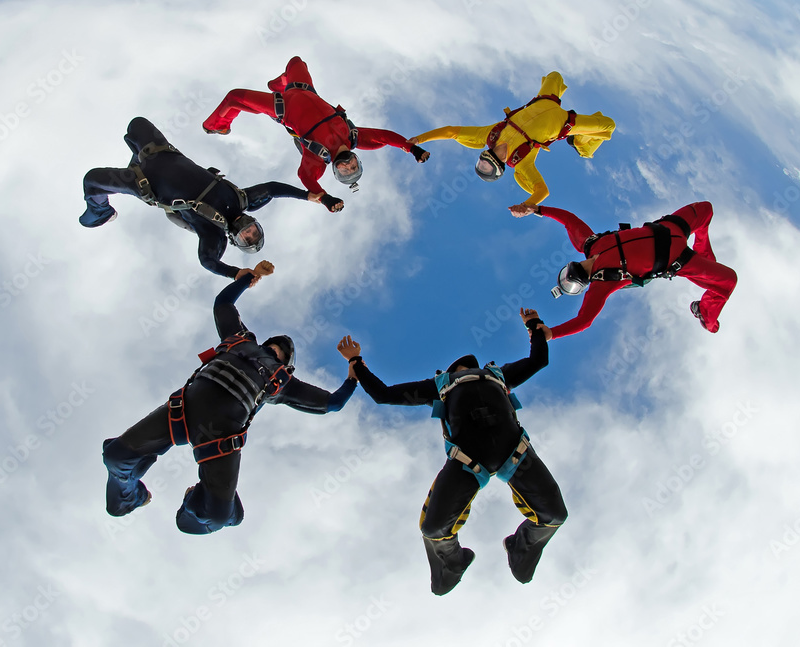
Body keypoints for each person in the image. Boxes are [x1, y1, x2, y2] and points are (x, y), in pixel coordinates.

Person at [101, 262, 358, 534]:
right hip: (184, 411)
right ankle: (130, 498)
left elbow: (333, 403)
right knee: (117, 456)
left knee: (218, 515)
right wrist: (249, 278)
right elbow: (223, 303)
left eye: (282, 353)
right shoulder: (238, 339)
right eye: (273, 345)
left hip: (220, 438)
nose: (277, 350)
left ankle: (213, 504)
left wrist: (354, 371)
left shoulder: (283, 382)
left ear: (287, 365)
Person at [336, 308, 566, 595]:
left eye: (472, 365)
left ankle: (521, 549)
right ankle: (453, 563)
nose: (468, 367)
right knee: (433, 529)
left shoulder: (499, 375)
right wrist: (356, 362)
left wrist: (533, 325)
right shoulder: (438, 387)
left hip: (514, 451)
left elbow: (538, 360)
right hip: (469, 461)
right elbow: (384, 395)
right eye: (462, 366)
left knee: (554, 515)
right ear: (448, 372)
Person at [81, 116, 344, 279]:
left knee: (92, 180)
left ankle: (100, 213)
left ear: (235, 239)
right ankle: (134, 160)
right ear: (255, 222)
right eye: (254, 231)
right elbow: (273, 188)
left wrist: (237, 273)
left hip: (143, 184)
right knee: (136, 124)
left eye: (246, 239)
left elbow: (208, 261)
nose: (248, 232)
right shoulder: (244, 200)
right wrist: (316, 197)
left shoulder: (213, 234)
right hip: (162, 155)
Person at [202, 56, 430, 195]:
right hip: (302, 89)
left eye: (344, 172)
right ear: (356, 160)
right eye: (354, 167)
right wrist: (413, 149)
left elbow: (306, 177)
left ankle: (216, 125)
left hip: (283, 107)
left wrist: (324, 198)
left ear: (335, 170)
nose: (348, 166)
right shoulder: (354, 137)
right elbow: (386, 137)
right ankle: (278, 84)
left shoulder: (318, 158)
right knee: (296, 62)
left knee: (234, 97)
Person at [511, 200, 737, 337]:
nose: (569, 278)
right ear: (582, 286)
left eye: (565, 277)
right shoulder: (603, 283)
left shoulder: (588, 244)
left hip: (669, 227)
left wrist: (538, 209)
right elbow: (584, 321)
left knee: (706, 209)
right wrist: (551, 333)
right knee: (728, 280)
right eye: (569, 286)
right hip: (677, 258)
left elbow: (570, 220)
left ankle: (706, 257)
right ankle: (706, 315)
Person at [407, 71, 615, 209]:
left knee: (555, 75)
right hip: (565, 123)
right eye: (486, 169)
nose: (484, 164)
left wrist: (420, 139)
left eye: (480, 165)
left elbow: (452, 132)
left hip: (544, 101)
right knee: (608, 125)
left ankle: (582, 140)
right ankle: (581, 145)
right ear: (498, 171)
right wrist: (527, 206)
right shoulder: (521, 162)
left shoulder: (489, 135)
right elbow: (542, 190)